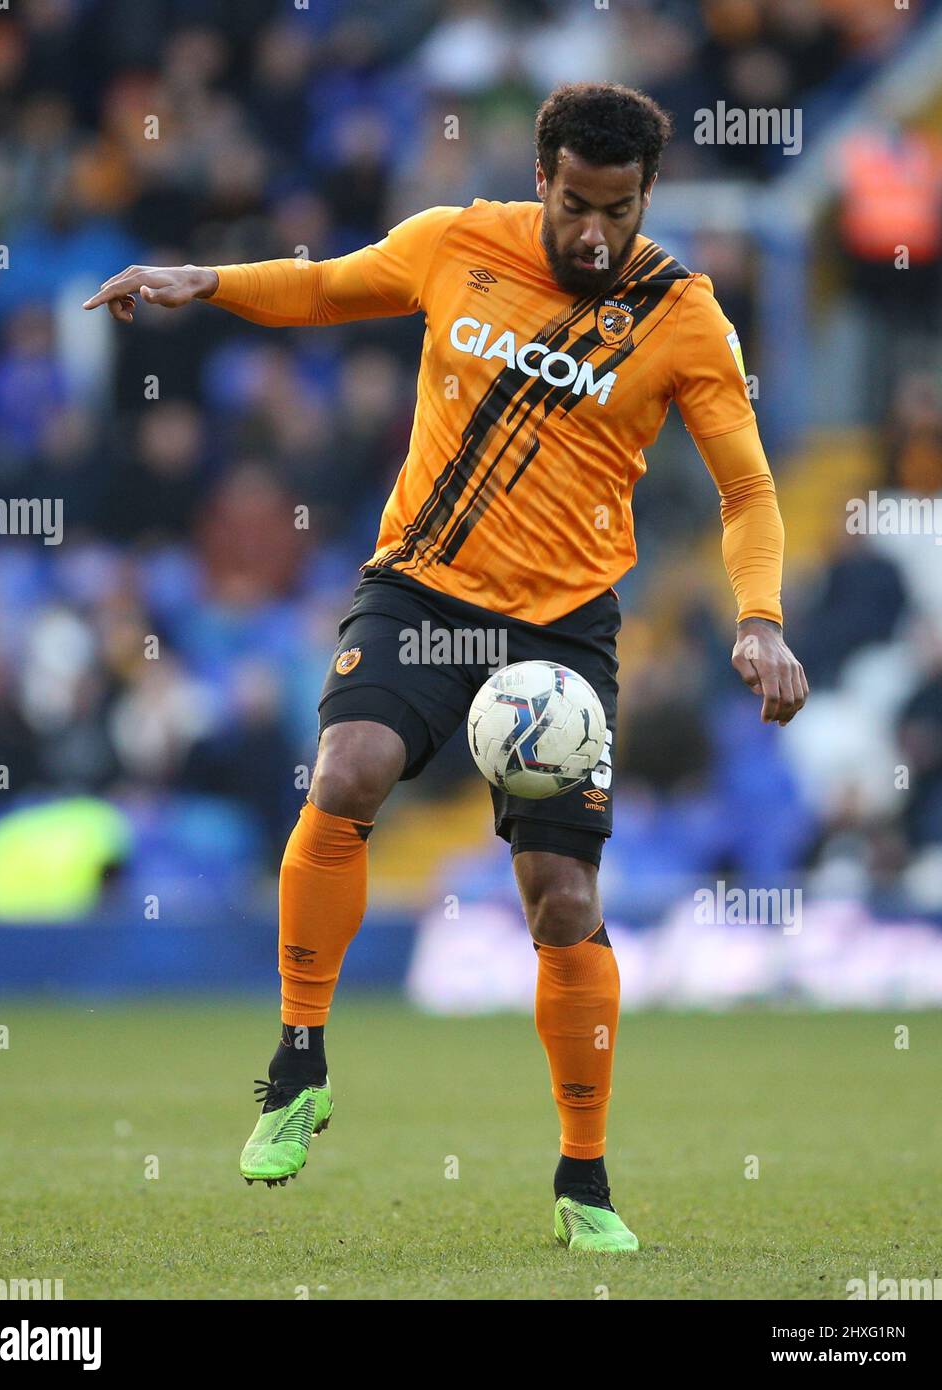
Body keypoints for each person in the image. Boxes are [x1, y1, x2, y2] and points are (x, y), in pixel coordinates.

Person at [84, 82, 808, 1254]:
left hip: (560, 630)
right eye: (574, 204)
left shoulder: (681, 316)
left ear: (645, 200)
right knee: (346, 771)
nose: (592, 233)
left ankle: (583, 1177)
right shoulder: (453, 242)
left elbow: (748, 489)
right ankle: (299, 1061)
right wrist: (200, 281)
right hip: (421, 588)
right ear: (541, 181)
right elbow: (322, 286)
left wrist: (761, 616)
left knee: (561, 901)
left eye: (616, 212)